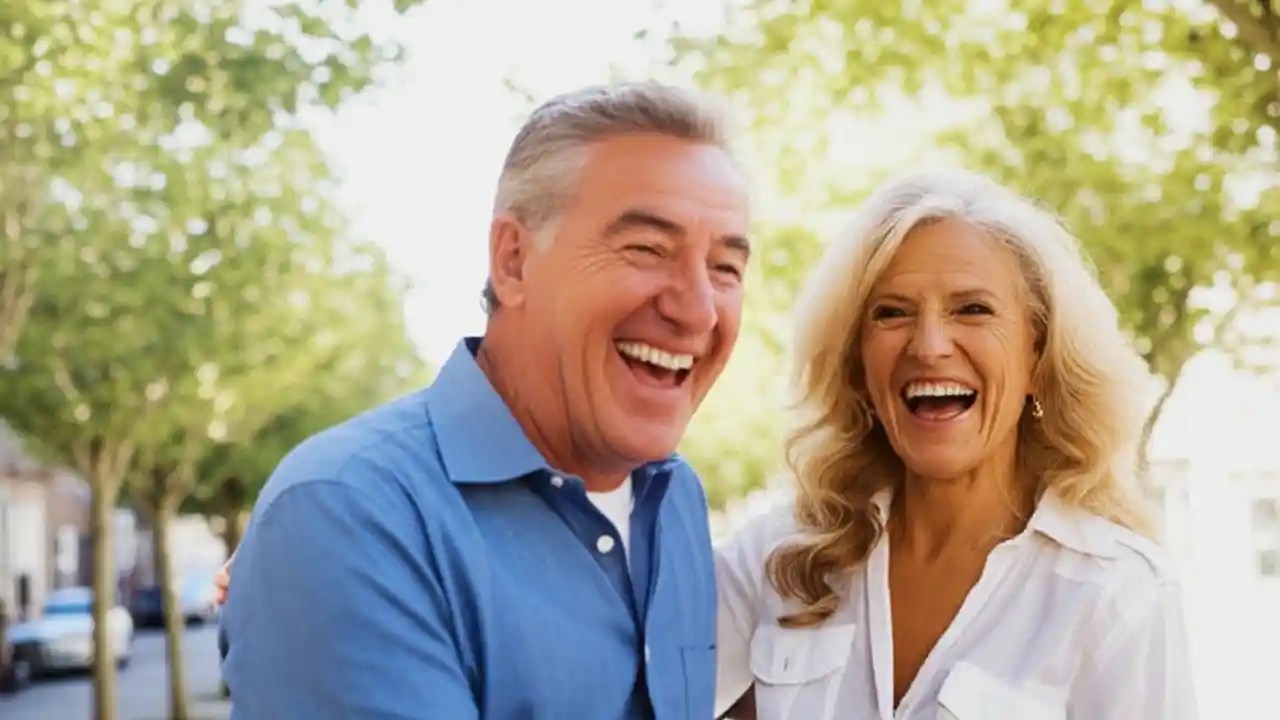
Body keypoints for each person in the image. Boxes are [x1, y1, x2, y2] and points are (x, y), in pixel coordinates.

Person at [217, 81, 753, 719]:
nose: (696, 310)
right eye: (646, 249)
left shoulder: (675, 501)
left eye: (725, 268)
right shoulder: (347, 512)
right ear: (514, 261)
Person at [714, 169, 1196, 719]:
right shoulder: (776, 559)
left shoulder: (1117, 593)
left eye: (973, 309)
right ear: (857, 365)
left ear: (1037, 357)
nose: (929, 345)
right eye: (892, 313)